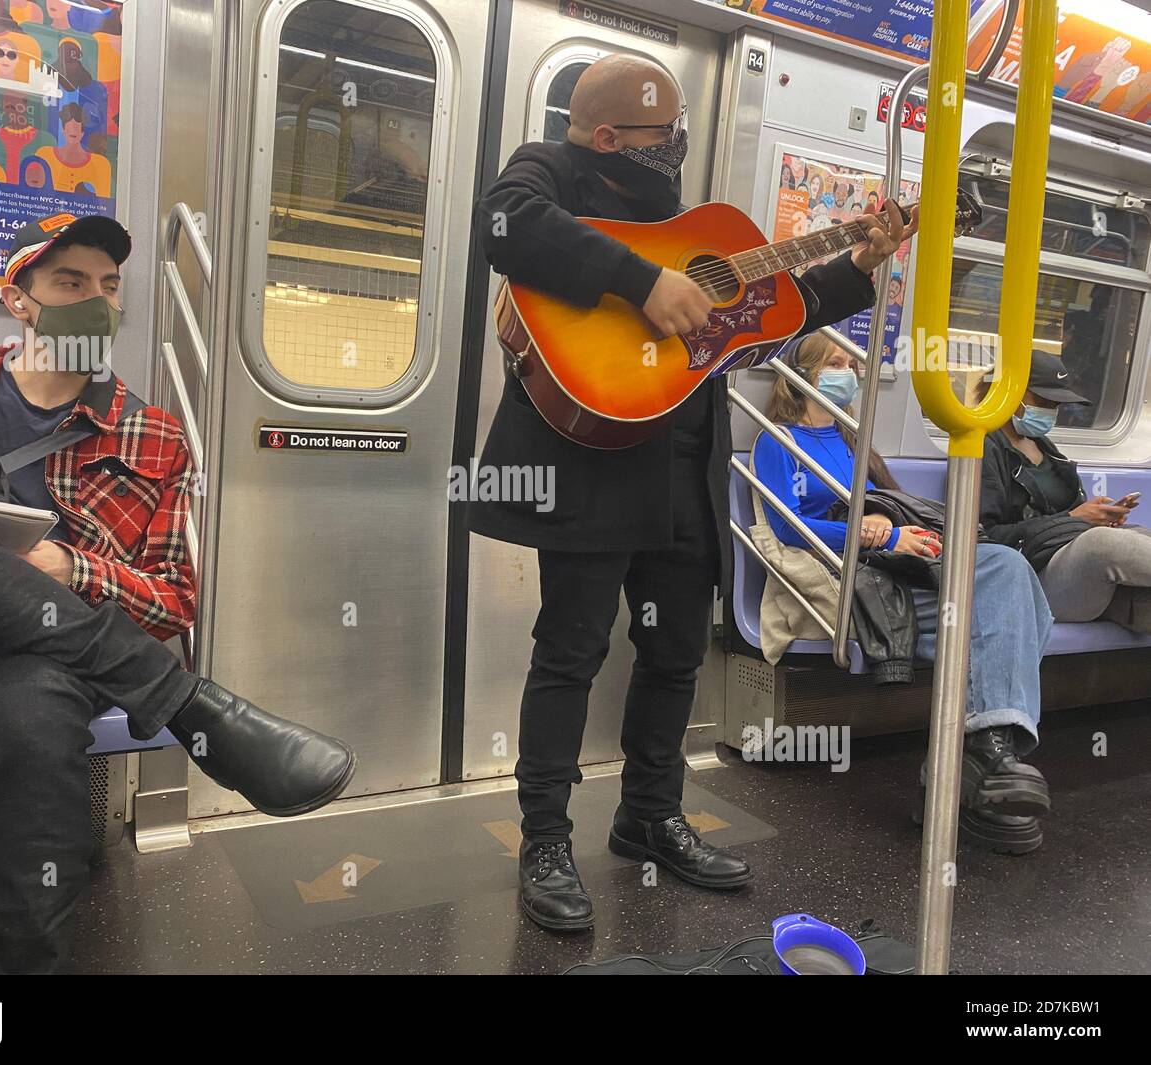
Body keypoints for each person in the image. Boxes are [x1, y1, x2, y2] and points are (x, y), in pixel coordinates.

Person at [471, 53, 916, 932]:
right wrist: (642, 281)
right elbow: (506, 226)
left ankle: (649, 813)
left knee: (677, 652)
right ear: (606, 137)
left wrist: (861, 270)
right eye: (660, 135)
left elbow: (773, 305)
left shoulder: (691, 222)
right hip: (590, 461)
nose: (675, 148)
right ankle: (547, 839)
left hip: (685, 462)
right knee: (570, 652)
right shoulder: (545, 169)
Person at [0, 213, 356, 973]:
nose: (96, 300)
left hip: (42, 664)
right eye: (70, 281)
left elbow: (172, 599)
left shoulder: (151, 436)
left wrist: (70, 569)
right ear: (17, 300)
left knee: (35, 710)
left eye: (109, 285)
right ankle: (188, 704)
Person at [753, 333, 1054, 854]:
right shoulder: (778, 439)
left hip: (893, 562)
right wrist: (888, 536)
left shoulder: (853, 438)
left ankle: (972, 760)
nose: (845, 372)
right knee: (1003, 584)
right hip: (855, 570)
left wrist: (901, 532)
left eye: (851, 363)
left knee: (1014, 590)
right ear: (801, 376)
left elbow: (882, 506)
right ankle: (982, 757)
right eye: (832, 364)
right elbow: (787, 527)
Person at [978, 351, 1151, 632]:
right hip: (1032, 576)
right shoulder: (982, 446)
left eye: (1055, 404)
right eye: (1043, 401)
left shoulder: (1045, 447)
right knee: (1103, 544)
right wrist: (1075, 519)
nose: (1050, 411)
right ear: (1009, 392)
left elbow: (1073, 517)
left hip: (1081, 576)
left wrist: (1100, 516)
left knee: (1137, 536)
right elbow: (986, 538)